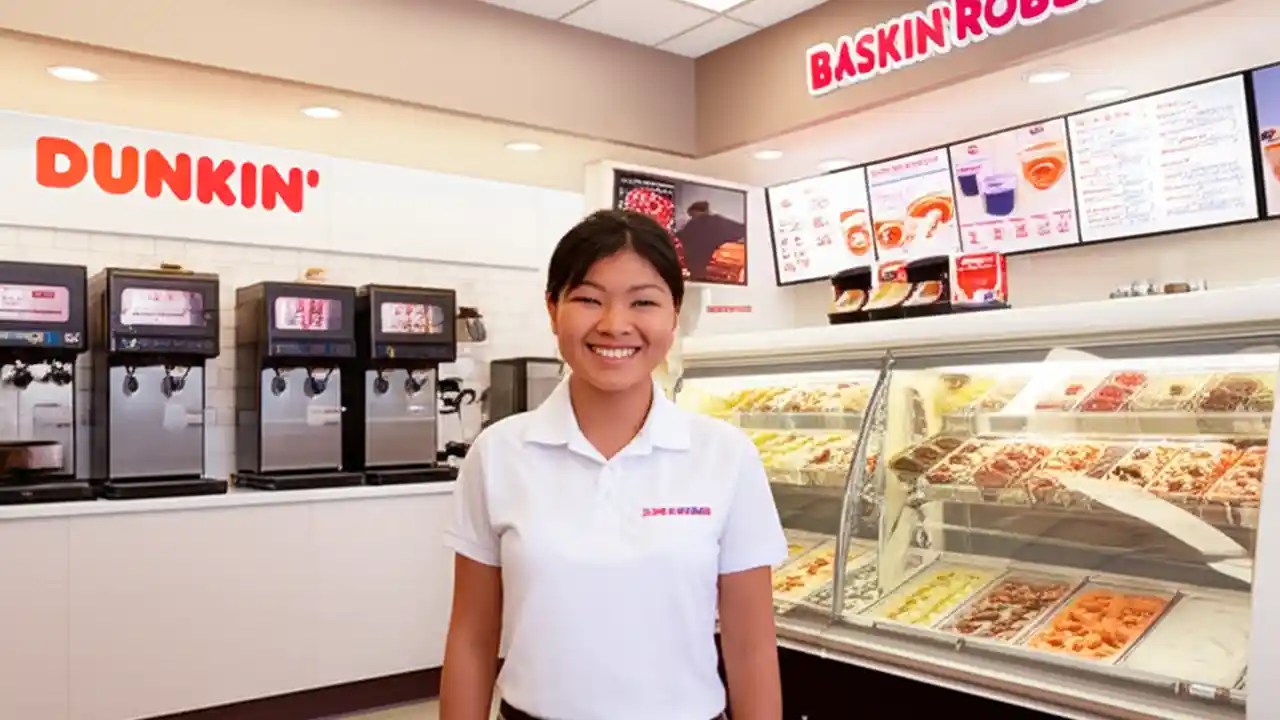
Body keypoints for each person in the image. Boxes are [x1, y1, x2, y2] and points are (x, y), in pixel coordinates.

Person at [440, 209, 787, 720]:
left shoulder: (725, 456)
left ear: (674, 313)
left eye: (643, 301)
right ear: (553, 308)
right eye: (588, 299)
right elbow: (471, 637)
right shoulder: (498, 454)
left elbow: (750, 644)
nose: (614, 325)